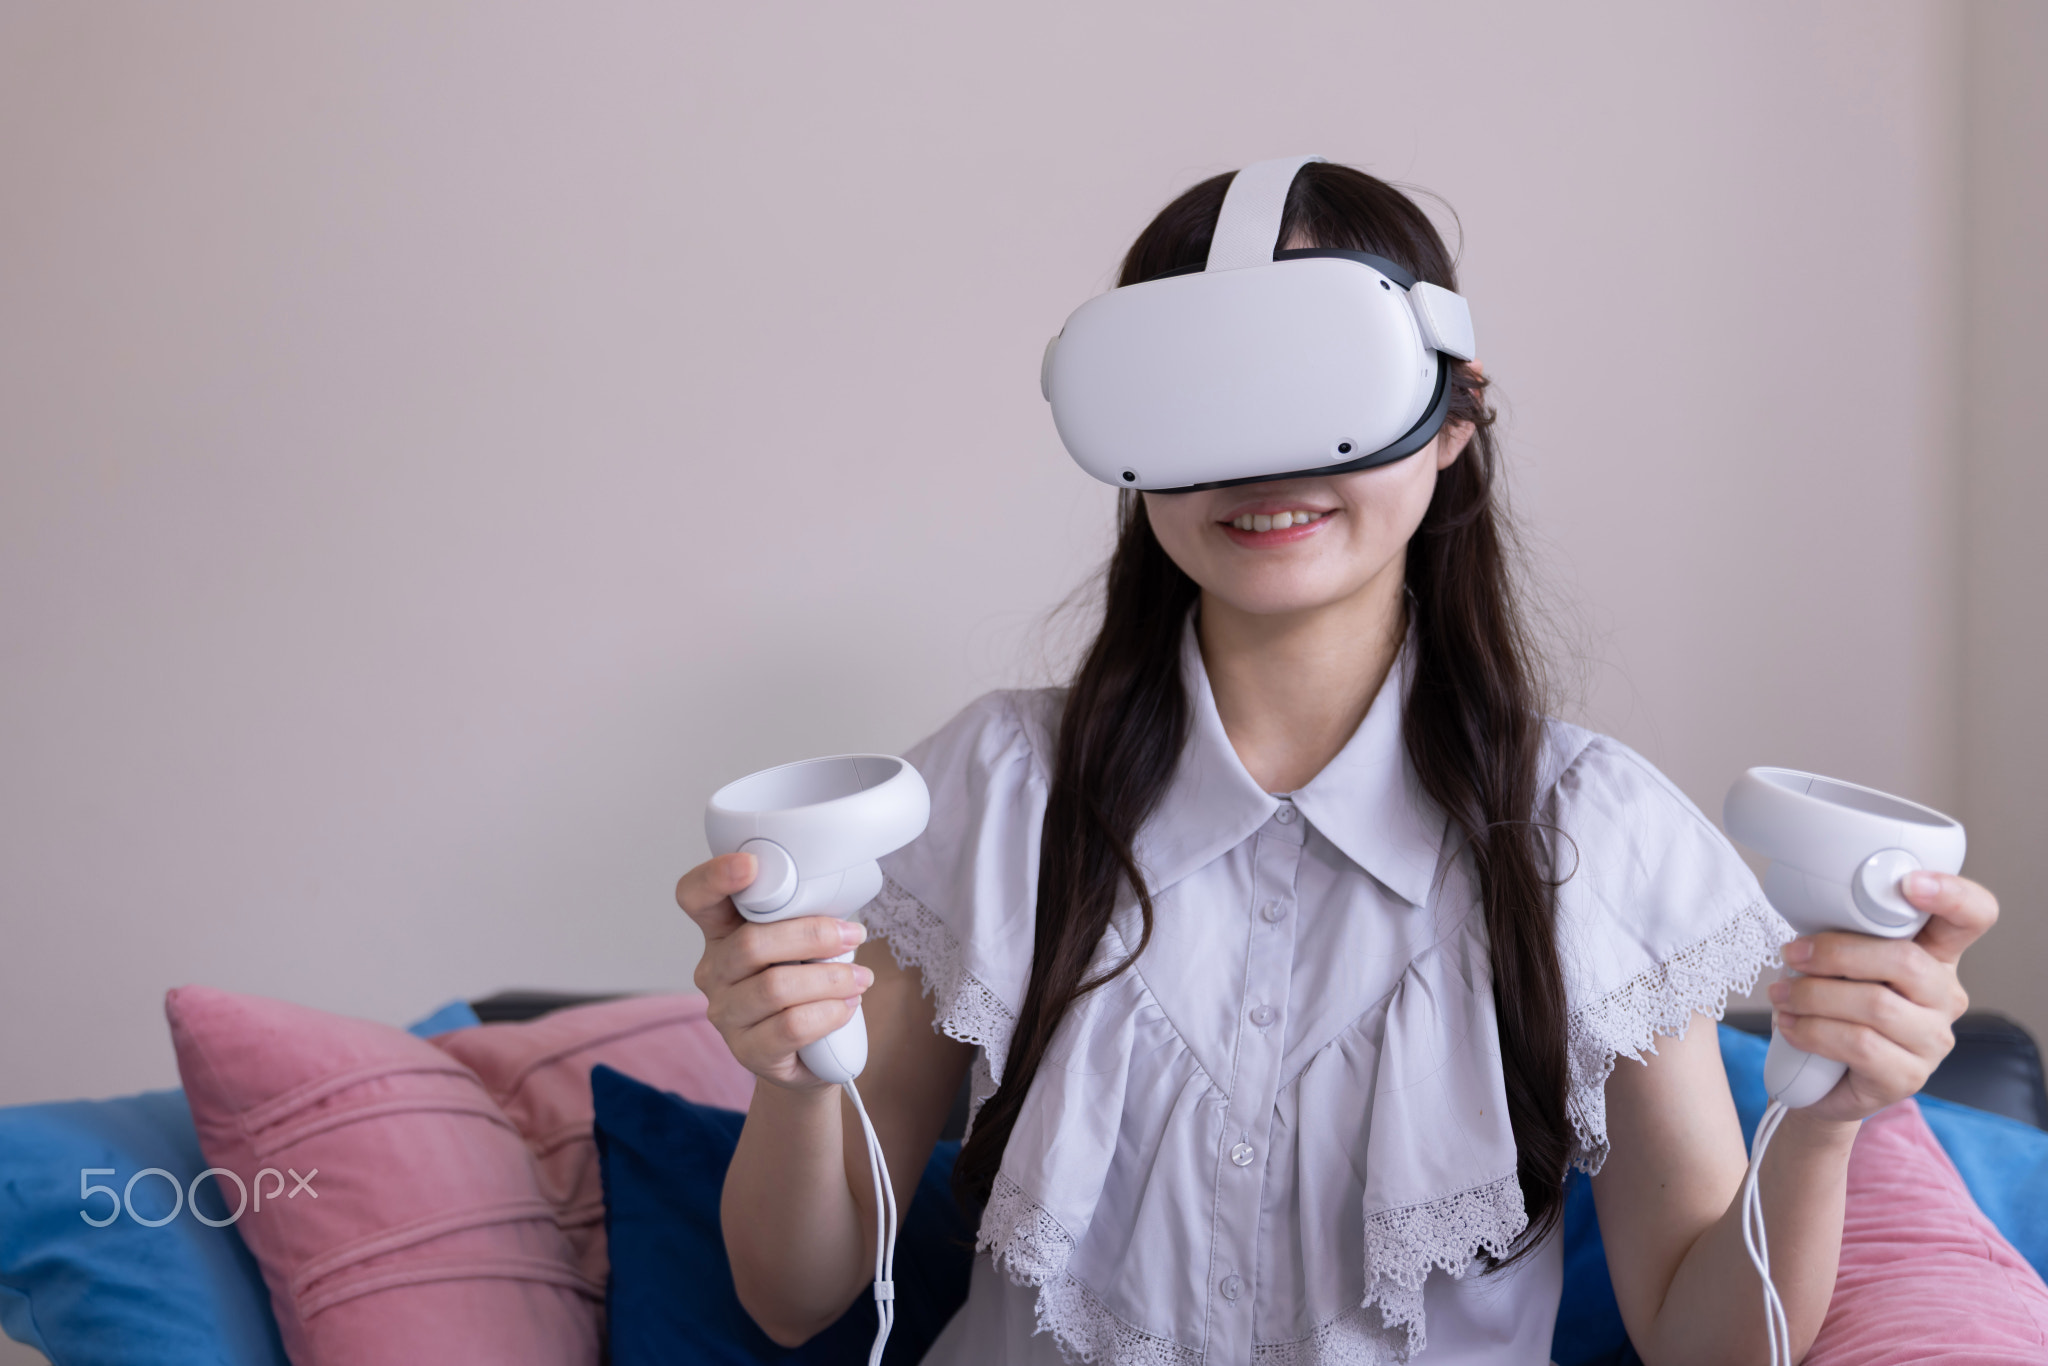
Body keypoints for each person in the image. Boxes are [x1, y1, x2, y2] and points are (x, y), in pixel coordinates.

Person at [675, 161, 2000, 1364]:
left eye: (1325, 389)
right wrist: (790, 1076)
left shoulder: (1591, 834)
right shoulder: (998, 789)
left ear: (1452, 422)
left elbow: (1711, 1347)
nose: (1267, 461)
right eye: (1201, 396)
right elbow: (793, 1298)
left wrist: (1823, 1124)